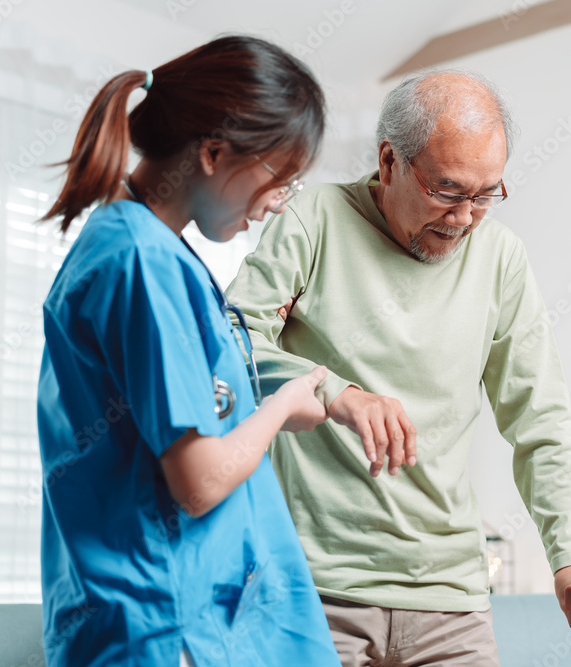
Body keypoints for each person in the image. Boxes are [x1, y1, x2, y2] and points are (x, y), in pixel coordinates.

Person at [224, 70, 571, 666]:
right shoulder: (317, 219)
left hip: (450, 601)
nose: (465, 218)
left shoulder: (500, 259)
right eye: (448, 191)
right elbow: (226, 343)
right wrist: (335, 392)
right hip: (311, 588)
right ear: (389, 161)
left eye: (486, 194)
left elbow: (539, 419)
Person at [36, 36, 341, 667]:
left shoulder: (146, 250)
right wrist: (281, 409)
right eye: (277, 178)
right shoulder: (141, 260)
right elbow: (199, 482)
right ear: (211, 153)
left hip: (174, 620)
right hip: (167, 630)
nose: (278, 203)